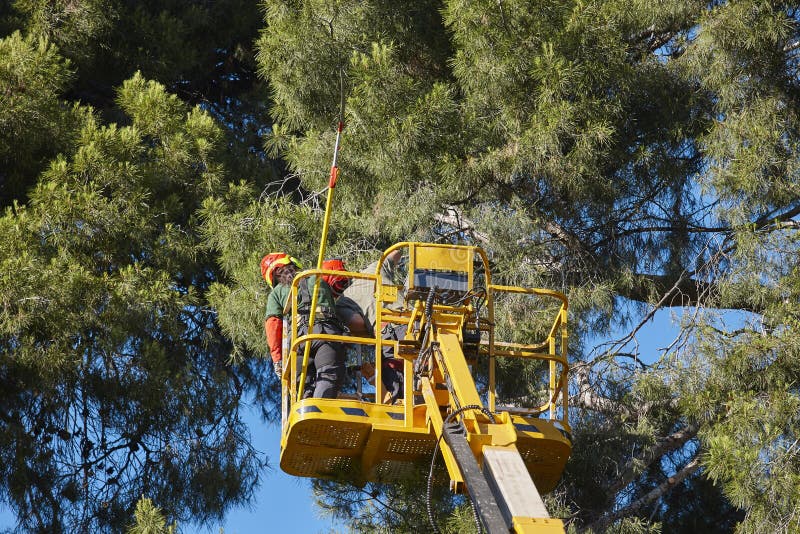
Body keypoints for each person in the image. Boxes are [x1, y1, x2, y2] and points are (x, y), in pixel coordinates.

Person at [261, 252, 346, 399]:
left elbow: (273, 325)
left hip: (299, 342)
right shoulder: (317, 276)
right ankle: (319, 409)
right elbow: (339, 282)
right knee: (328, 375)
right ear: (293, 263)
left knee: (303, 388)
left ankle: (309, 411)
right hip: (326, 335)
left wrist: (277, 360)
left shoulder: (276, 293)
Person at [335, 249, 406, 403]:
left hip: (389, 333)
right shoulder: (374, 269)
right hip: (415, 323)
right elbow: (395, 253)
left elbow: (357, 323)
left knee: (394, 373)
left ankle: (399, 404)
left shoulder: (343, 300)